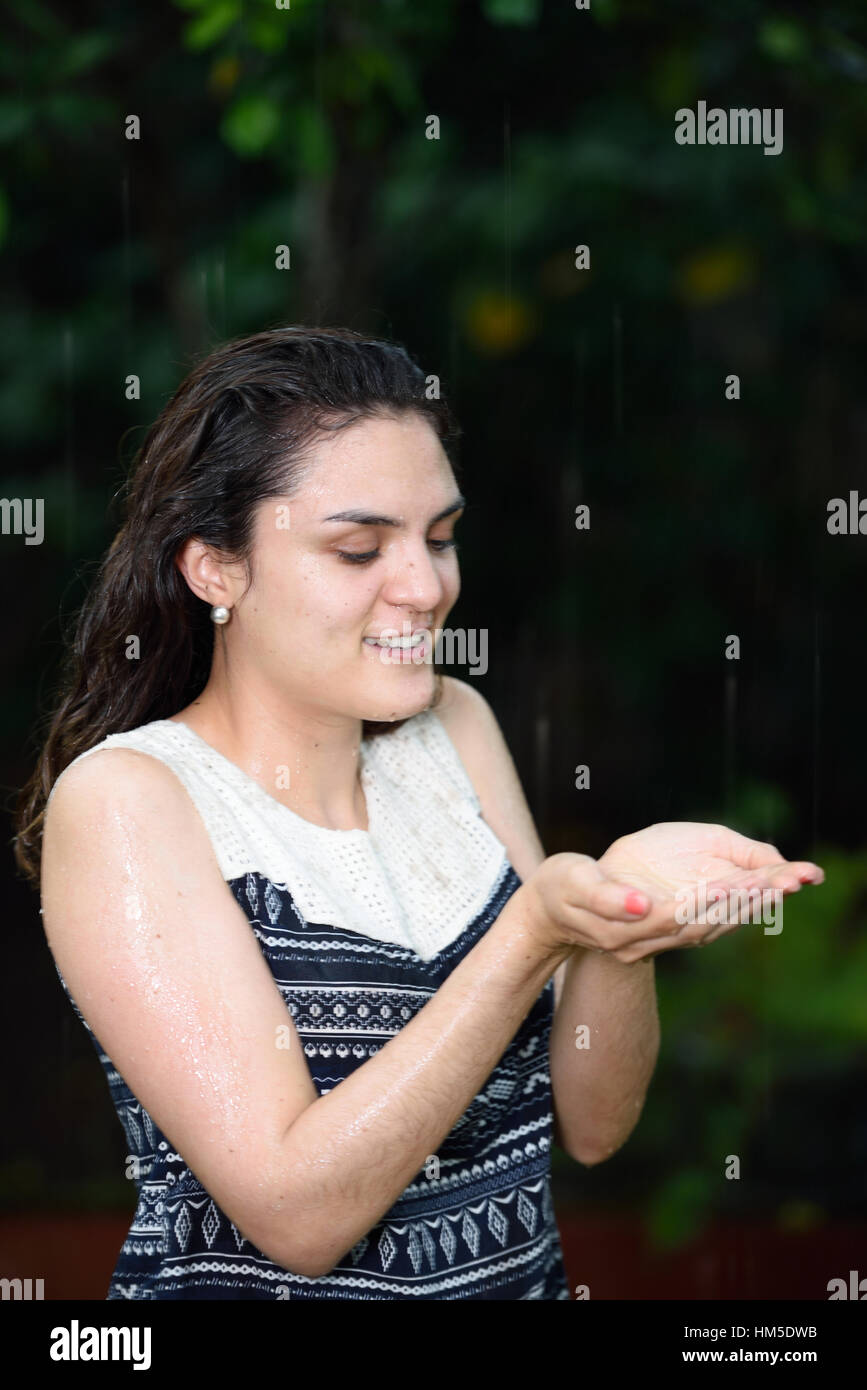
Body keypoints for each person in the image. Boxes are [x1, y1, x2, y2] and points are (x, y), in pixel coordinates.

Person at [14, 325, 824, 1300]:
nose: (427, 585)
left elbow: (596, 1125)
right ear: (214, 569)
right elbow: (296, 1215)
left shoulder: (454, 727)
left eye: (439, 537)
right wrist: (531, 935)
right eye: (359, 548)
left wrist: (620, 922)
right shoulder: (128, 800)